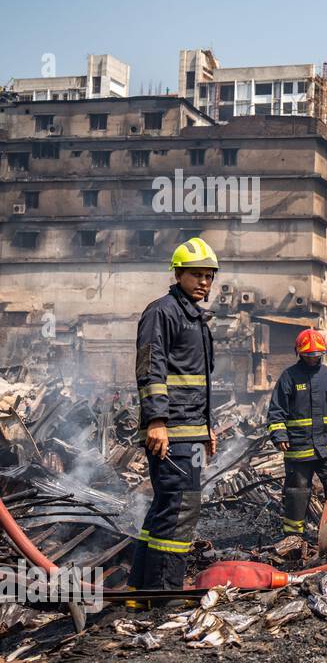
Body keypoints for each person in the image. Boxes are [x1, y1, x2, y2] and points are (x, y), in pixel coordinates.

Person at [127, 239, 219, 607]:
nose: (204, 283)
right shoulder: (162, 312)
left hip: (190, 431)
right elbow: (151, 368)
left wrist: (206, 427)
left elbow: (199, 382)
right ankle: (164, 594)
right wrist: (157, 421)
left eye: (209, 276)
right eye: (197, 274)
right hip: (172, 432)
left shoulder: (195, 318)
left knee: (167, 507)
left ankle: (140, 591)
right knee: (181, 508)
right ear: (178, 273)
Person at [267, 329, 327, 540]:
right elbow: (276, 411)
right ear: (299, 353)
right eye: (308, 354)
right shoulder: (289, 377)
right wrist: (280, 436)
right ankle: (294, 536)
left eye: (316, 354)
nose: (313, 358)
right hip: (299, 447)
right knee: (298, 491)